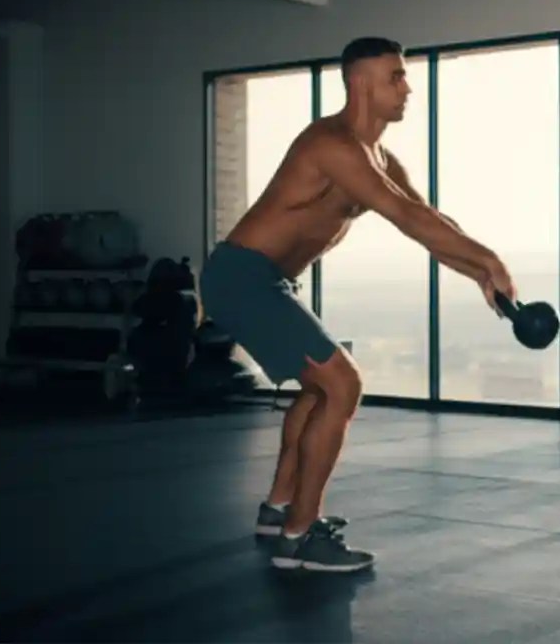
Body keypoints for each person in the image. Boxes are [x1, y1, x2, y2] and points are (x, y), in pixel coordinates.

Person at [199, 37, 517, 572]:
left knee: (317, 391)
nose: (407, 87)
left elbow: (429, 222)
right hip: (242, 276)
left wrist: (482, 275)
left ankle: (279, 510)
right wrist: (492, 258)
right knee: (343, 384)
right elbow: (405, 216)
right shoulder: (333, 145)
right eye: (395, 76)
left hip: (268, 279)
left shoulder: (380, 156)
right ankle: (299, 539)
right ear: (361, 83)